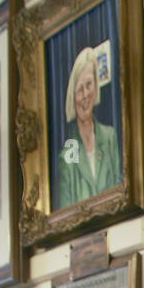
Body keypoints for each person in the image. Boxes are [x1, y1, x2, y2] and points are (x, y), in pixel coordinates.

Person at [55, 46, 121, 209]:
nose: (85, 94)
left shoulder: (110, 136)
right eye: (79, 89)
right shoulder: (66, 157)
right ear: (73, 96)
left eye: (89, 85)